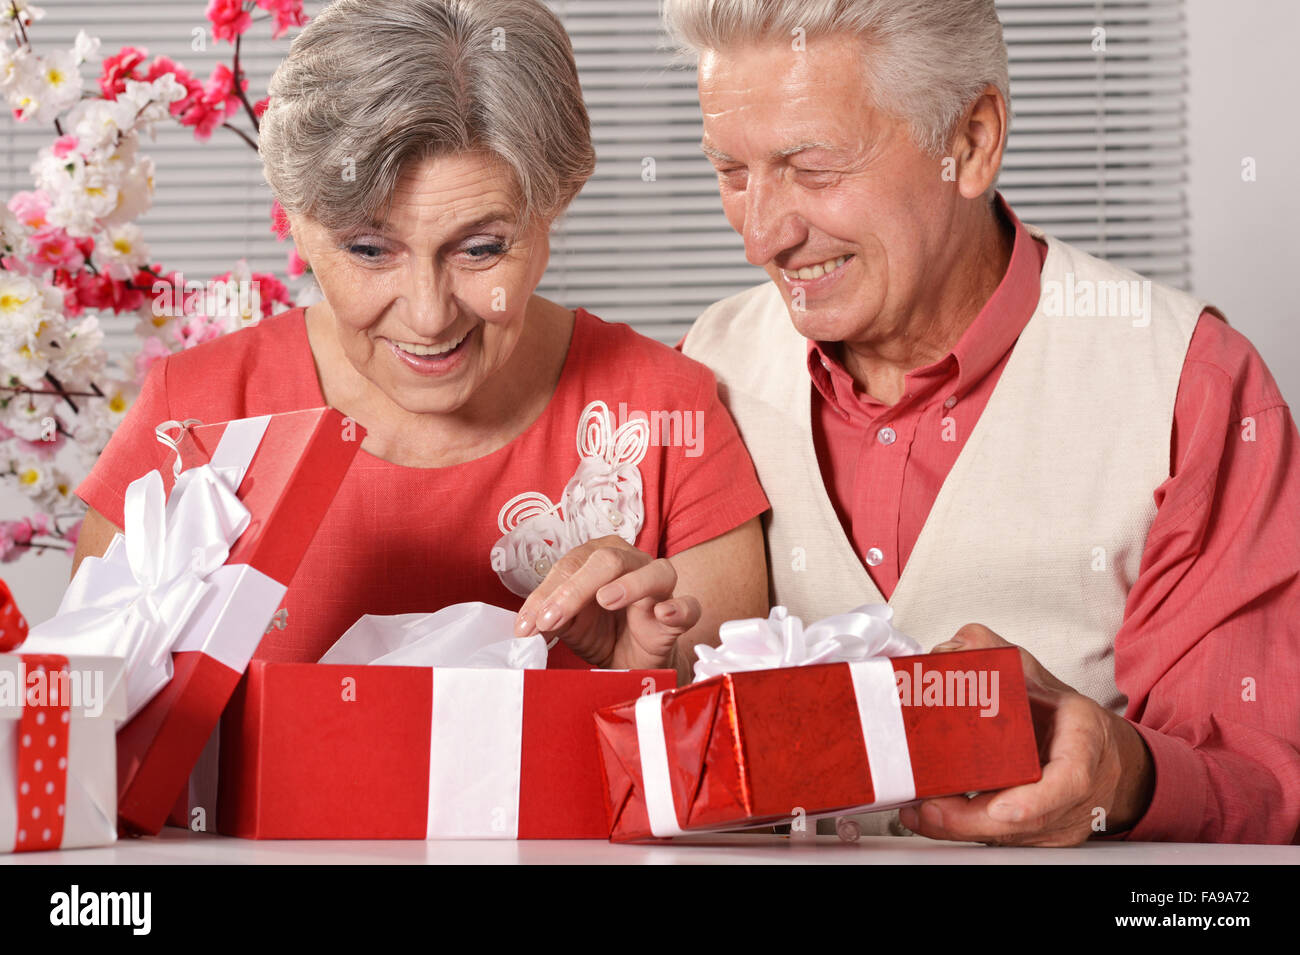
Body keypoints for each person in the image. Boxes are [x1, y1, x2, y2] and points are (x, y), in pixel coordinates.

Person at [666, 0, 1300, 844]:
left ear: (969, 143)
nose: (760, 236)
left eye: (811, 167)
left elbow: (1261, 779)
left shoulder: (1193, 386)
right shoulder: (700, 372)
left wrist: (1129, 772)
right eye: (730, 171)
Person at [73, 0, 769, 684]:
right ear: (296, 223)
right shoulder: (193, 413)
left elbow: (742, 774)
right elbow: (92, 765)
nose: (431, 316)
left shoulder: (668, 415)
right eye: (371, 250)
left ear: (554, 205)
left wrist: (649, 683)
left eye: (481, 248)